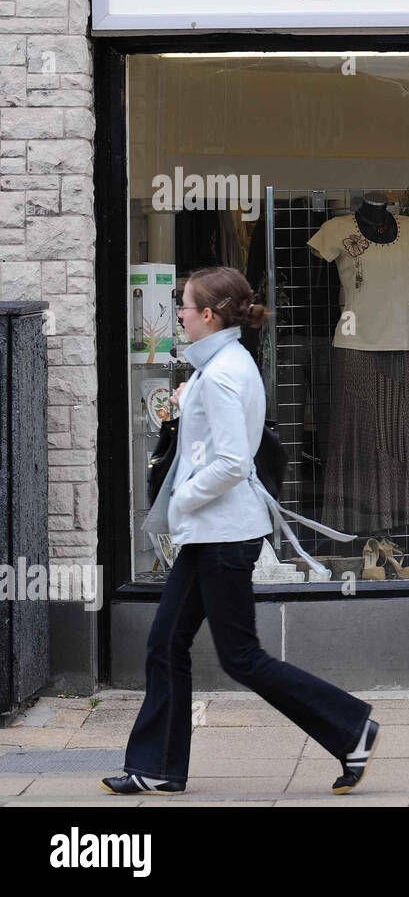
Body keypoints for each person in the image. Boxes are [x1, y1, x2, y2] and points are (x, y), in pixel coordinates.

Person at [102, 266, 380, 796]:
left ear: (208, 315)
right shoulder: (219, 367)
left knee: (242, 657)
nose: (178, 314)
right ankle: (157, 767)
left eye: (184, 306)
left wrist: (182, 498)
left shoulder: (226, 371)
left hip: (224, 536)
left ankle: (350, 728)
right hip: (211, 534)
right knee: (165, 644)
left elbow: (231, 461)